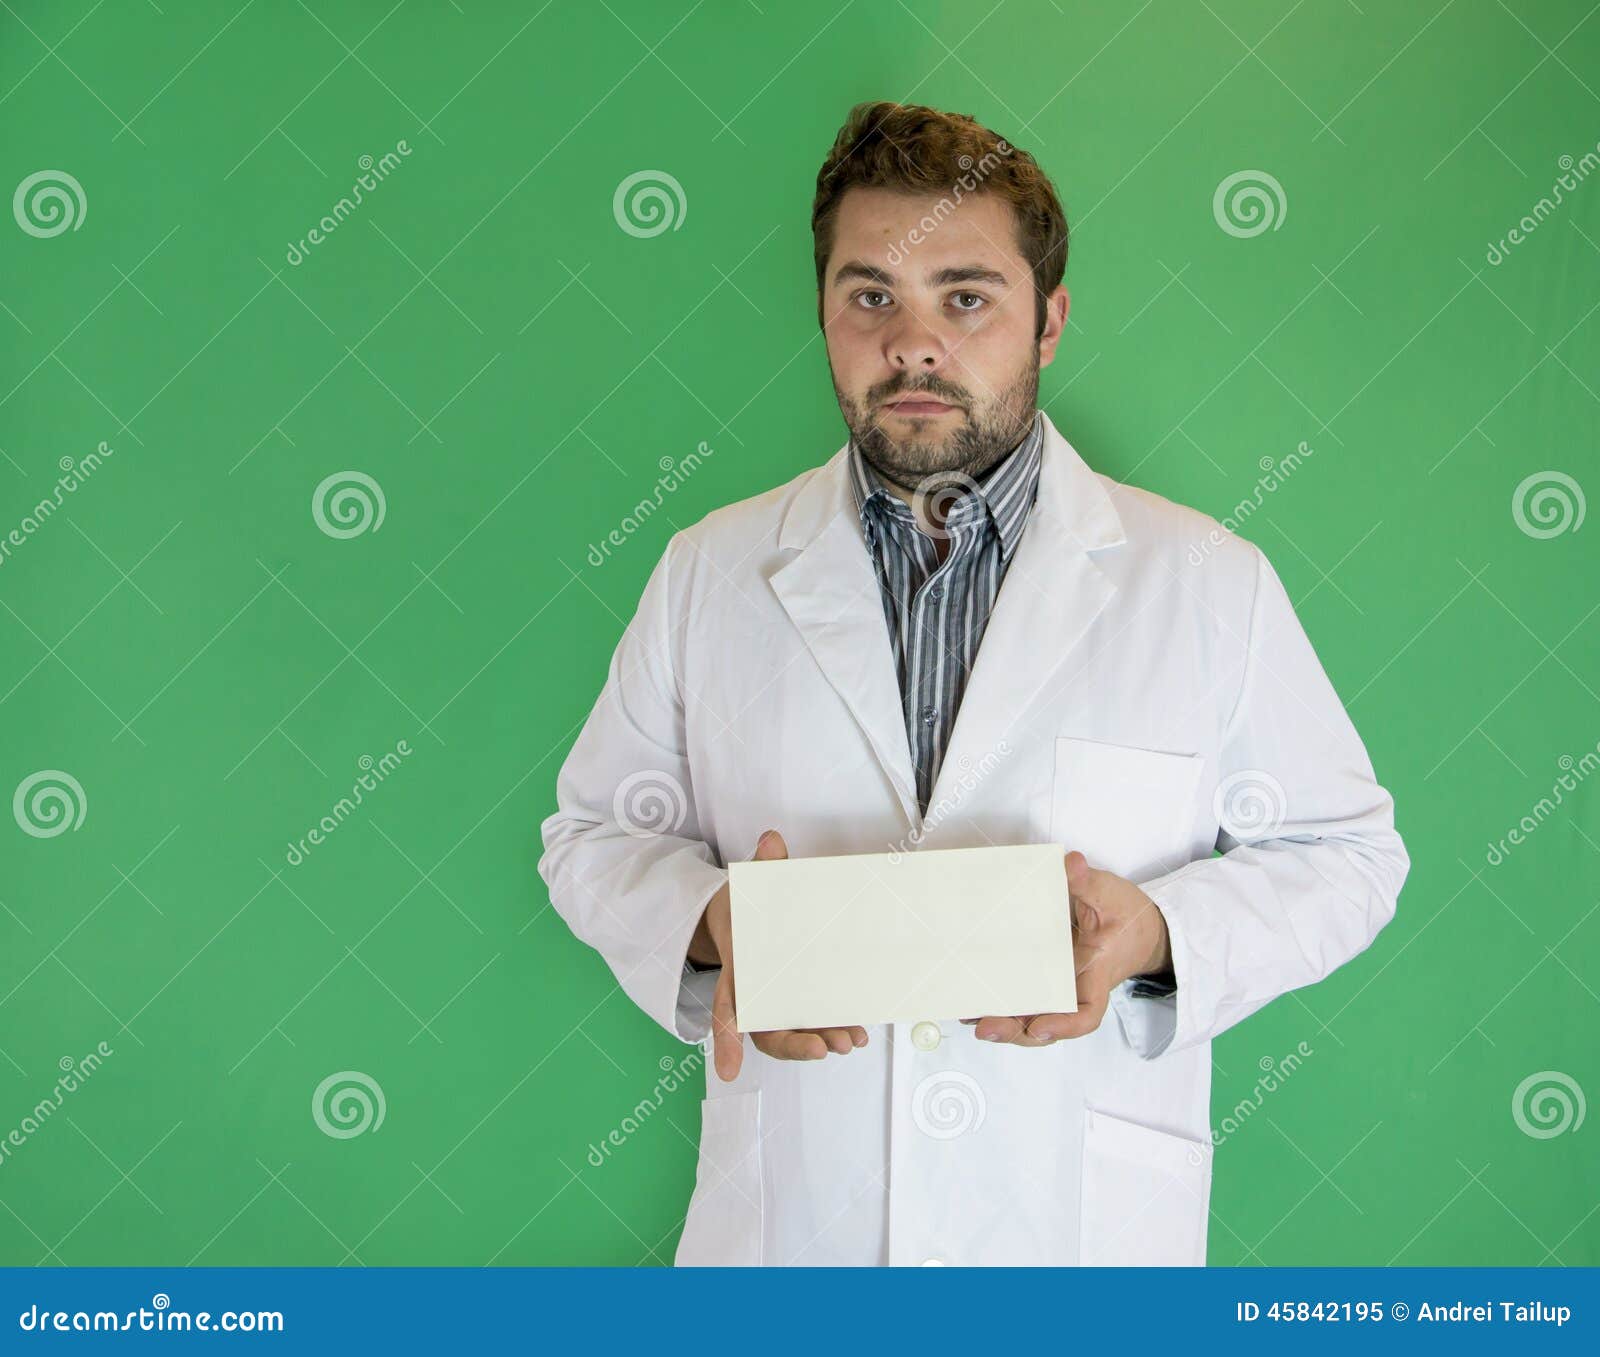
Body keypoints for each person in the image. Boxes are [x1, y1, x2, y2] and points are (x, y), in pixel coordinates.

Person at [538, 101, 1409, 1266]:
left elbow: (1347, 855)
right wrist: (708, 920)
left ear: (1046, 321)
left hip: (1075, 1242)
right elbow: (593, 834)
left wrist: (1159, 931)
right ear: (823, 312)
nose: (912, 345)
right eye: (869, 297)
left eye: (964, 296)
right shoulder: (711, 568)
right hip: (794, 1240)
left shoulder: (1206, 583)